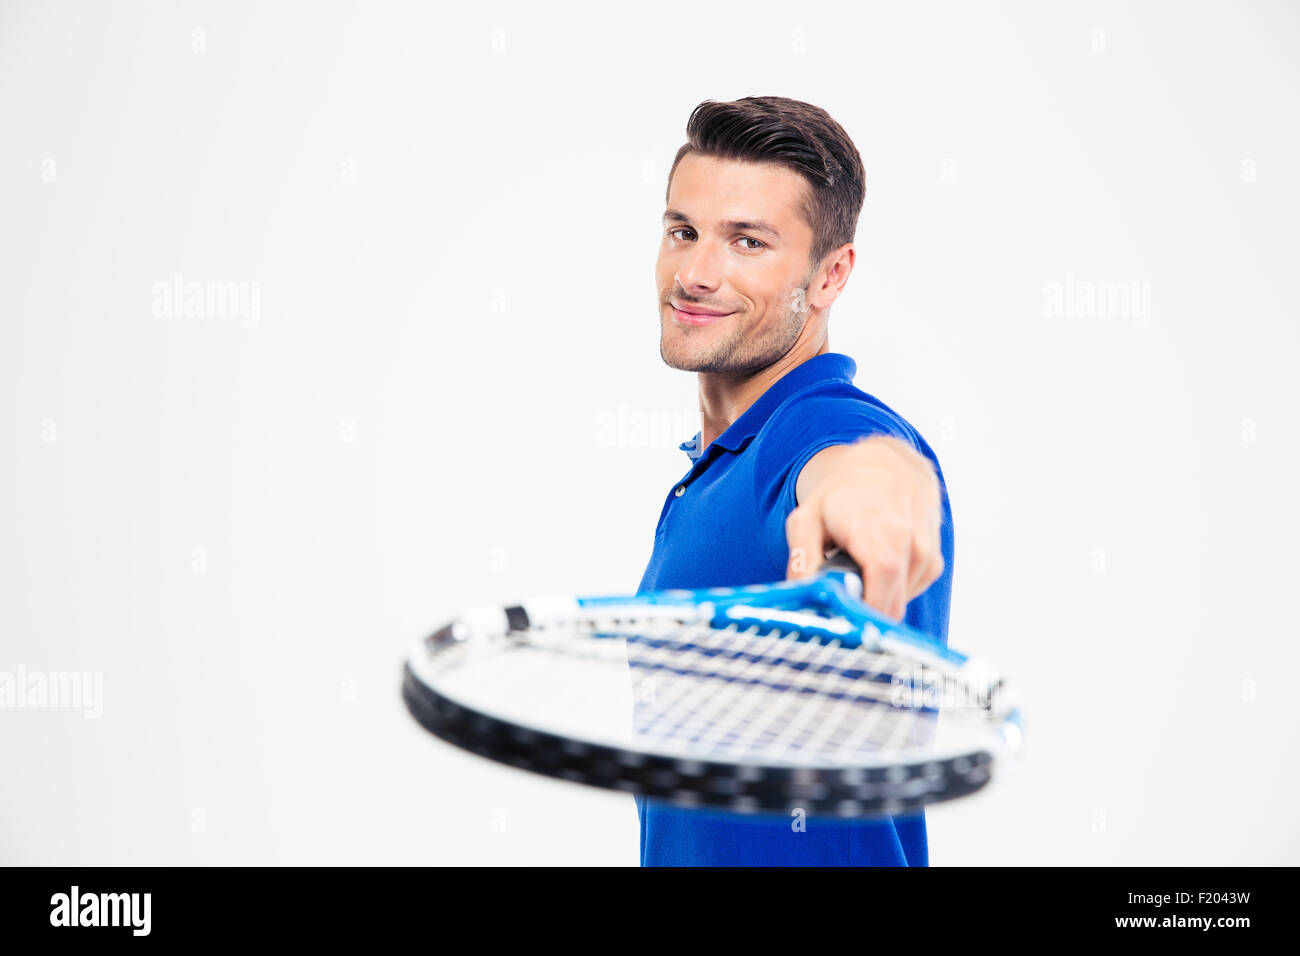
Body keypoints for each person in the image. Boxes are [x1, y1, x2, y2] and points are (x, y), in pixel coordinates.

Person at [636, 95, 954, 866]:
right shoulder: (711, 475)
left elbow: (861, 466)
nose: (697, 274)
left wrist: (874, 498)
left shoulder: (817, 426)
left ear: (830, 275)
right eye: (684, 232)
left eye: (748, 241)